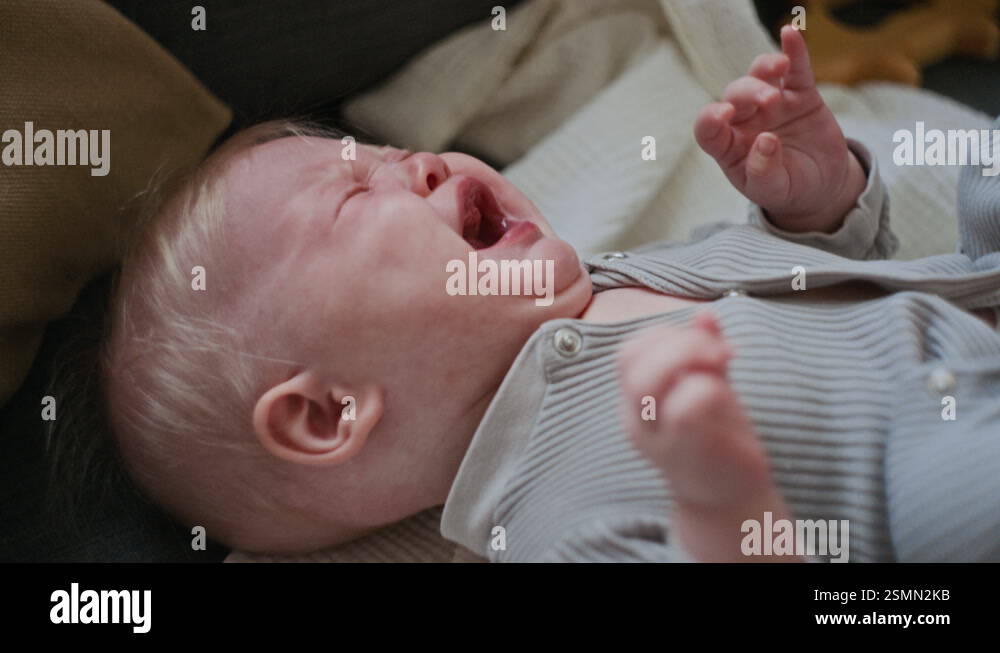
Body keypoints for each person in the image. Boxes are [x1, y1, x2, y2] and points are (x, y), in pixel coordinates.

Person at [100, 26, 1000, 561]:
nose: (410, 164)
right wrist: (721, 498)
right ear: (330, 411)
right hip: (920, 475)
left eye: (375, 153)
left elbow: (829, 275)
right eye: (348, 197)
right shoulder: (551, 522)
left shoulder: (623, 276)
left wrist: (816, 199)